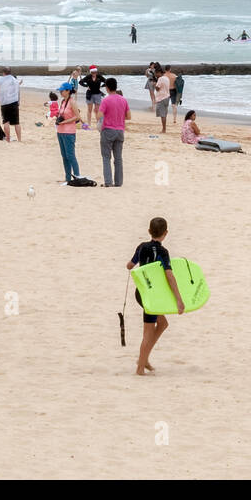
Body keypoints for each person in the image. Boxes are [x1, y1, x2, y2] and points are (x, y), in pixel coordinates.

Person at [126, 217, 185, 376]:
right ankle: (140, 367)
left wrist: (136, 263)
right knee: (148, 331)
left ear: (149, 231)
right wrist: (179, 299)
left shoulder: (141, 247)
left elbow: (130, 265)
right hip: (152, 296)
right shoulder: (163, 252)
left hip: (141, 293)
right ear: (165, 233)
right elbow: (169, 276)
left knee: (163, 323)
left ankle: (144, 360)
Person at [98, 77, 130, 187]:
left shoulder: (105, 100)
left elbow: (99, 115)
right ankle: (119, 182)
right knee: (118, 158)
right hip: (120, 130)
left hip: (108, 129)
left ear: (107, 88)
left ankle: (108, 182)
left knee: (106, 157)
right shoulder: (123, 99)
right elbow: (128, 116)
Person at [55, 86, 82, 182]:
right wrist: (57, 116)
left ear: (68, 91)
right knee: (64, 156)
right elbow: (61, 114)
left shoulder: (72, 102)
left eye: (62, 91)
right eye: (60, 91)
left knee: (70, 155)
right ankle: (67, 178)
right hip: (60, 131)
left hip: (69, 132)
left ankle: (77, 176)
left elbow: (77, 117)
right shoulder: (62, 101)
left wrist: (64, 122)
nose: (61, 92)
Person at [0, 66, 22, 143]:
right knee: (16, 122)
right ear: (10, 72)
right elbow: (18, 92)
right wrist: (18, 102)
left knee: (6, 122)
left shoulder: (0, 80)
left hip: (4, 103)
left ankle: (8, 139)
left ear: (3, 72)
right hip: (14, 102)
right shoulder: (15, 80)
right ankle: (19, 140)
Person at [154, 65, 172, 133]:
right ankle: (164, 128)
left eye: (156, 73)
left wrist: (155, 85)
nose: (155, 75)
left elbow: (157, 88)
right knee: (164, 114)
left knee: (162, 115)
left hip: (162, 98)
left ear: (159, 72)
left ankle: (164, 129)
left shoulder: (160, 78)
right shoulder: (166, 78)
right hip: (167, 97)